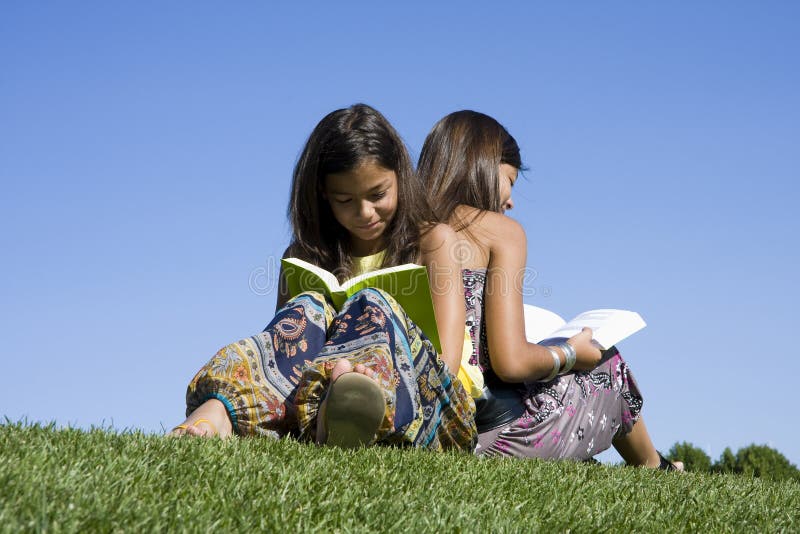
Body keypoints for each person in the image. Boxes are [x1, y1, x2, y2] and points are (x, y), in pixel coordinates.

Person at [170, 104, 476, 451]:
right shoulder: (303, 255)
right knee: (308, 306)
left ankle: (355, 397)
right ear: (323, 196)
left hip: (428, 406)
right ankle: (219, 414)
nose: (364, 213)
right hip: (315, 397)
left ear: (400, 177)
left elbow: (447, 362)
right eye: (345, 200)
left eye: (378, 194)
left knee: (373, 302)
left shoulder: (433, 241)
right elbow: (283, 353)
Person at [417, 110, 682, 469]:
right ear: (482, 167)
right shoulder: (499, 232)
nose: (510, 200)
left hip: (426, 427)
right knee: (607, 361)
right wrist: (570, 353)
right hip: (490, 439)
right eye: (509, 180)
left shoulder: (402, 229)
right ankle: (656, 466)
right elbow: (510, 362)